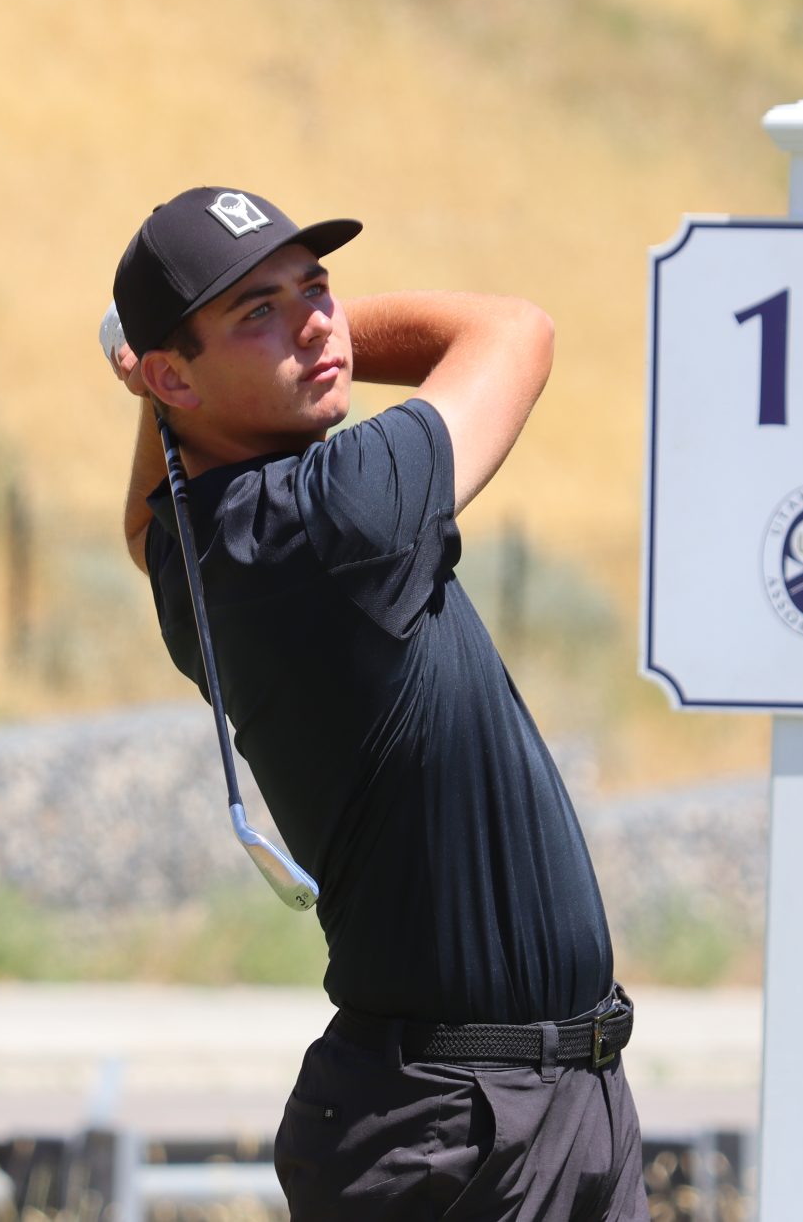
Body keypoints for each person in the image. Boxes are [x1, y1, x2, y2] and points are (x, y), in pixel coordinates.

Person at [104, 186, 648, 1221]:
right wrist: (170, 380)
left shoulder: (193, 545)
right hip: (460, 1127)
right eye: (255, 311)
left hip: (524, 1103)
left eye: (317, 290)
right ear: (175, 371)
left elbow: (141, 524)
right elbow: (511, 331)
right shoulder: (332, 516)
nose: (313, 323)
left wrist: (158, 388)